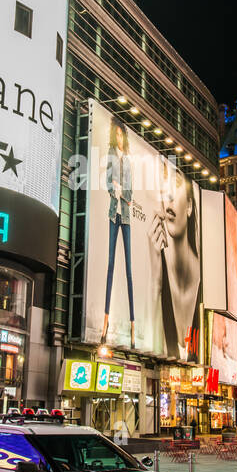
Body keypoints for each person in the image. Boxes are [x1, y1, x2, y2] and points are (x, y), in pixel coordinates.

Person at [150, 157, 201, 361]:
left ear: (189, 205)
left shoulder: (207, 284)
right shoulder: (156, 268)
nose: (168, 195)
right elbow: (152, 349)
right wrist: (155, 283)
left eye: (176, 184)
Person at [101, 119, 136, 349]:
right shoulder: (111, 155)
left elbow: (129, 193)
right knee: (111, 265)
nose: (119, 137)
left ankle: (133, 325)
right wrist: (117, 190)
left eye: (122, 134)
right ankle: (105, 322)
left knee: (129, 269)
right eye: (117, 134)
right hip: (114, 214)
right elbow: (108, 183)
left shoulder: (129, 160)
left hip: (126, 218)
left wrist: (120, 190)